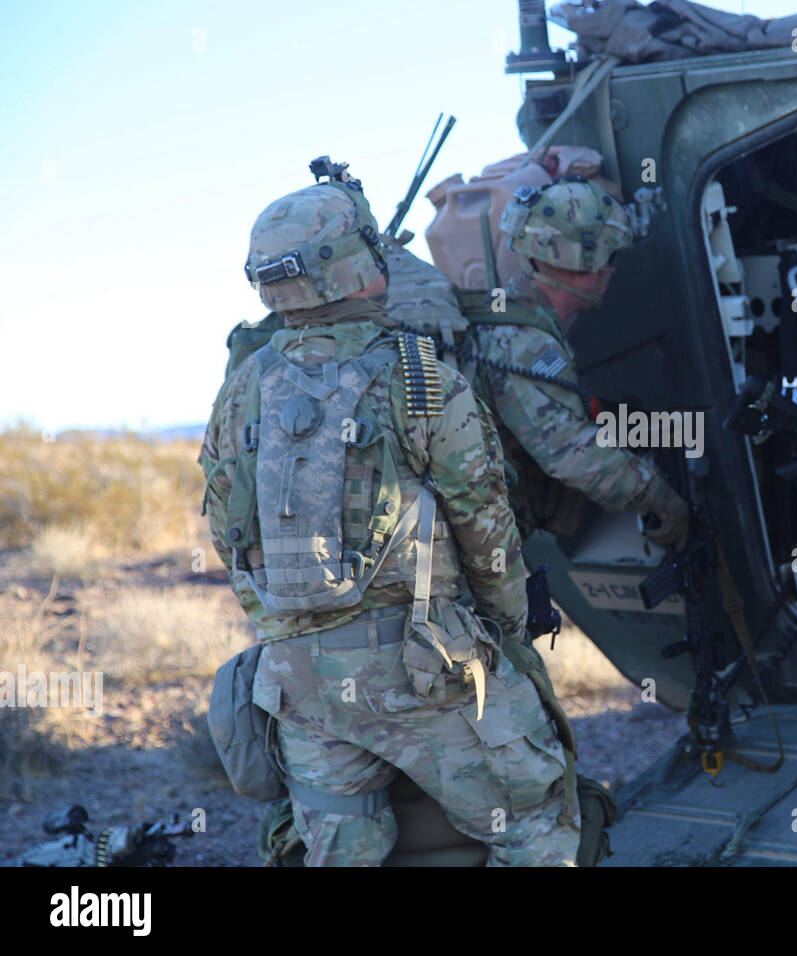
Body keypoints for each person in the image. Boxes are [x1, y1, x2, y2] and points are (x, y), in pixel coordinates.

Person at [200, 167, 579, 866]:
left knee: (342, 853)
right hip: (423, 671)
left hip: (300, 688)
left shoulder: (240, 389)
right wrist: (508, 639)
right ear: (359, 266)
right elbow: (486, 528)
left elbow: (229, 536)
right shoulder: (418, 372)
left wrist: (287, 630)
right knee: (540, 821)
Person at [445, 175, 689, 545]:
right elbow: (572, 453)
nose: (611, 269)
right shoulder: (526, 344)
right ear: (583, 260)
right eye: (610, 256)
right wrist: (658, 496)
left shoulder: (514, 319)